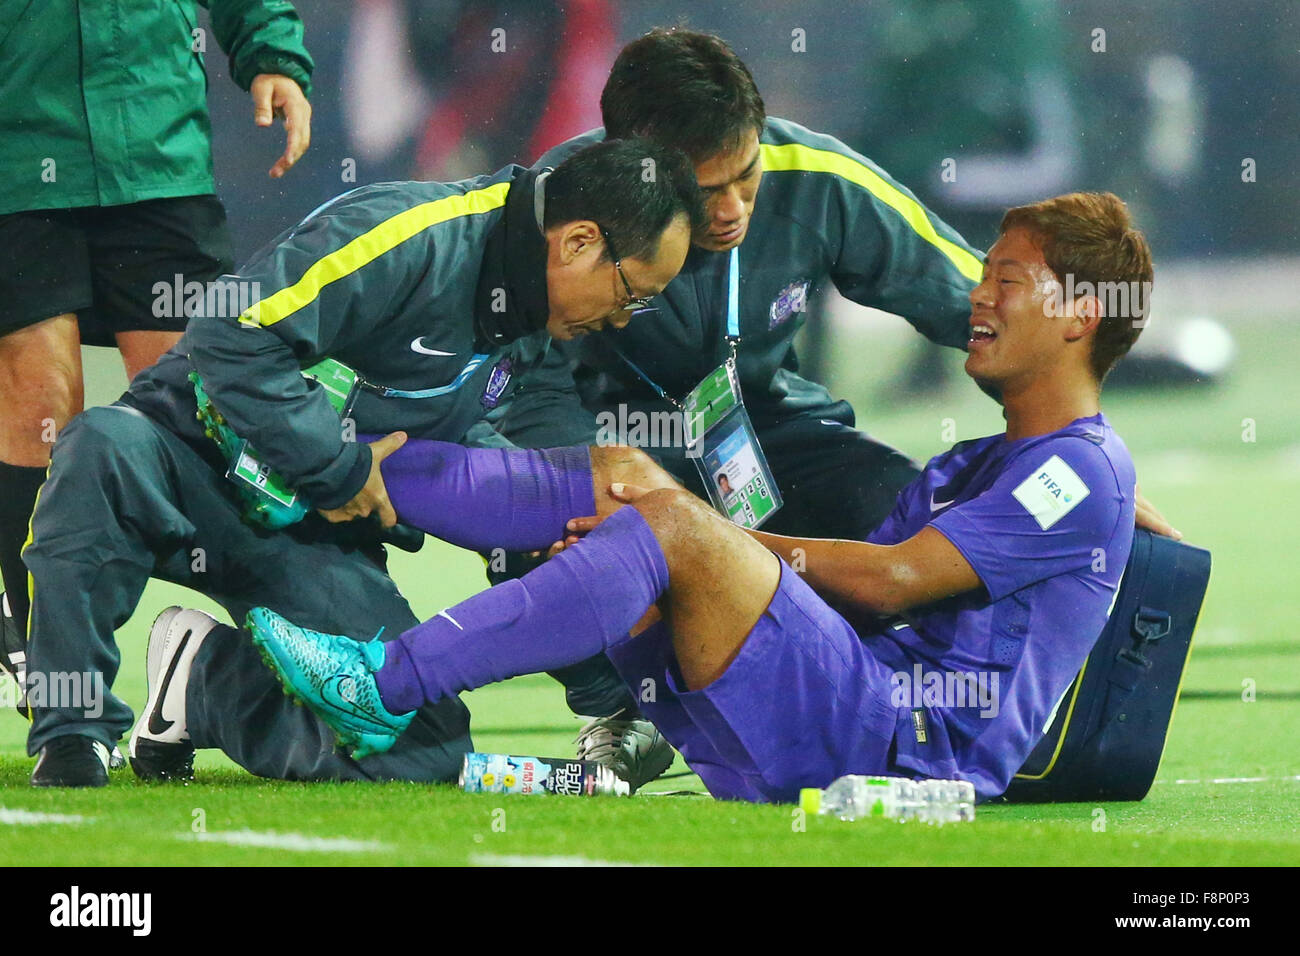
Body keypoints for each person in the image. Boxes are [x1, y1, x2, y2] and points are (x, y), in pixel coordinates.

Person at [245, 191, 1152, 802]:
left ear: (1081, 315)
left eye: (1006, 280)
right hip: (841, 714)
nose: (977, 295)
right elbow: (860, 602)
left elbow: (892, 583)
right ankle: (330, 473)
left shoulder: (1078, 471)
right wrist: (639, 550)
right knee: (619, 475)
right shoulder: (987, 464)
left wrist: (687, 539)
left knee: (666, 515)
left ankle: (385, 684)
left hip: (901, 748)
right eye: (983, 272)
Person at [487, 27, 1177, 783]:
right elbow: (518, 379)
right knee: (536, 506)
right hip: (607, 432)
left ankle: (900, 700)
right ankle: (622, 710)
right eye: (702, 189)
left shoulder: (816, 175)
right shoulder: (561, 207)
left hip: (765, 427)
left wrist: (1075, 451)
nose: (730, 210)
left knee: (898, 508)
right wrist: (614, 487)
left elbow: (970, 295)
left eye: (744, 175)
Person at [21, 137, 702, 787]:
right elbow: (230, 330)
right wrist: (335, 466)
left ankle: (199, 683)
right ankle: (72, 731)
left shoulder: (533, 321)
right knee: (99, 445)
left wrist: (550, 518)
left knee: (418, 748)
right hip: (181, 459)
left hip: (311, 533)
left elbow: (473, 452)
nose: (624, 318)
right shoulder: (408, 233)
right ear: (580, 241)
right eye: (632, 292)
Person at [0, 0, 315, 712]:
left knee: (202, 409)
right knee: (38, 401)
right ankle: (54, 671)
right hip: (13, 158)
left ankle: (280, 651)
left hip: (153, 146)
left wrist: (273, 56)